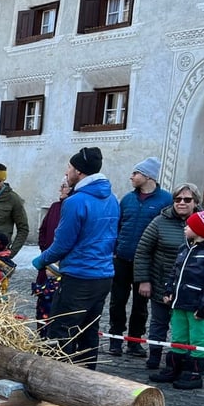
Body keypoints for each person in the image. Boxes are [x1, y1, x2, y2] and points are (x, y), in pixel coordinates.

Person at [33, 147, 119, 370]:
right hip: (103, 276)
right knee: (89, 330)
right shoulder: (112, 198)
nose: (66, 171)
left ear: (79, 172)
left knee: (62, 331)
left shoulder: (75, 201)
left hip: (79, 276)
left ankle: (61, 381)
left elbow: (62, 244)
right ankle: (88, 378)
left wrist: (42, 260)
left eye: (69, 167)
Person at [107, 157, 173, 358]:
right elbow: (118, 226)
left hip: (148, 262)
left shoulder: (166, 200)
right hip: (122, 258)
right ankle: (115, 339)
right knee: (117, 301)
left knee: (141, 303)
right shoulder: (127, 199)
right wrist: (116, 249)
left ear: (147, 176)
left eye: (135, 173)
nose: (131, 176)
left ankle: (135, 340)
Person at [134, 183, 203, 369]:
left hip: (191, 292)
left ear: (196, 202)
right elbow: (142, 251)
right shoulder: (159, 222)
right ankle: (155, 357)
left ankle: (190, 363)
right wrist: (144, 280)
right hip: (162, 284)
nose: (181, 203)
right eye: (177, 199)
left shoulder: (202, 225)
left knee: (190, 328)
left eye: (187, 199)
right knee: (158, 324)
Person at [149, 210, 204, 389]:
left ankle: (194, 373)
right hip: (179, 302)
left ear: (199, 231)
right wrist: (168, 290)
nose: (185, 227)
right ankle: (174, 368)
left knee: (198, 339)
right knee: (178, 336)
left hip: (196, 306)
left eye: (189, 226)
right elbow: (175, 272)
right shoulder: (184, 248)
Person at [32, 179, 70, 329]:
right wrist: (44, 250)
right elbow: (43, 230)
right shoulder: (55, 207)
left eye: (64, 186)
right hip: (47, 262)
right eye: (61, 186)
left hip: (62, 266)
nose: (61, 189)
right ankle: (42, 331)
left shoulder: (72, 208)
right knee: (43, 300)